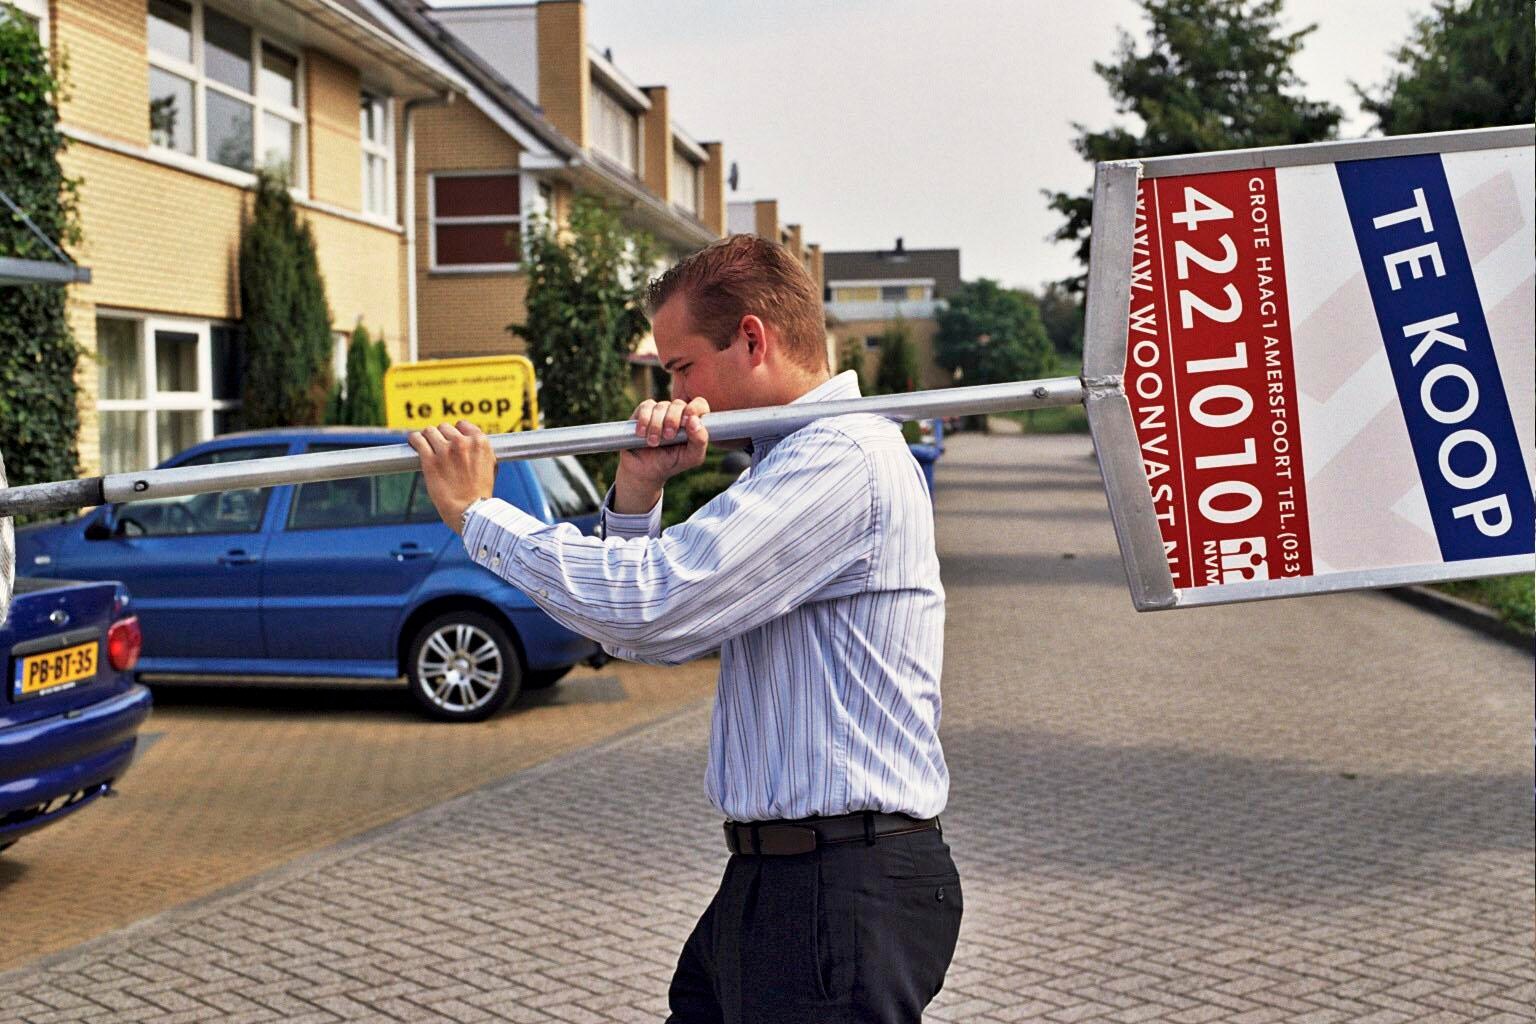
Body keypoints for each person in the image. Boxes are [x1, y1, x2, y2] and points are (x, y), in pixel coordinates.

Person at [409, 234, 960, 1022]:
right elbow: (635, 635)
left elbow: (650, 605)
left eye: (680, 368)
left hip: (841, 885)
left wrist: (478, 515)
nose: (676, 395)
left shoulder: (841, 459)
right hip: (779, 878)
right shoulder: (790, 460)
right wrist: (636, 491)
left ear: (752, 339)